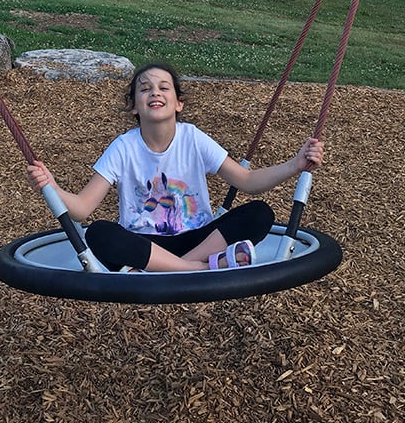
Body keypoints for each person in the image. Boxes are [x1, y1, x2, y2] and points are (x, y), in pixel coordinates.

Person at [27, 62, 324, 273]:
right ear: (134, 106)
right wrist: (51, 187)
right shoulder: (124, 147)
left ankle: (179, 267)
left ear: (178, 103)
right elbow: (82, 209)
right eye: (145, 89)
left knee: (260, 213)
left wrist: (295, 164)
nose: (154, 92)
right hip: (144, 245)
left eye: (163, 87)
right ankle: (197, 269)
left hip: (199, 239)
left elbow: (246, 181)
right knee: (98, 234)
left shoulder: (193, 138)